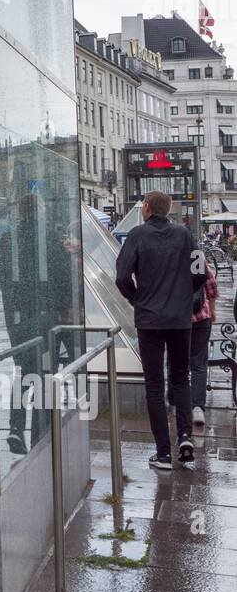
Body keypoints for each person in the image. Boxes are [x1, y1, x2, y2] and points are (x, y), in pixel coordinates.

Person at [116, 190, 207, 471]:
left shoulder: (137, 235)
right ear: (168, 210)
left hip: (150, 321)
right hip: (180, 320)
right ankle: (185, 438)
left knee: (154, 385)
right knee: (181, 378)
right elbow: (201, 272)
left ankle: (163, 454)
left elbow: (121, 276)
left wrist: (137, 298)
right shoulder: (185, 235)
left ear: (146, 208)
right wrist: (182, 296)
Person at [189, 266, 217, 428]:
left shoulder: (170, 255)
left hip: (176, 319)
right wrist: (212, 311)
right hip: (201, 316)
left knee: (176, 362)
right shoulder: (197, 258)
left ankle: (175, 404)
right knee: (199, 364)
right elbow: (211, 286)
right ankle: (197, 407)